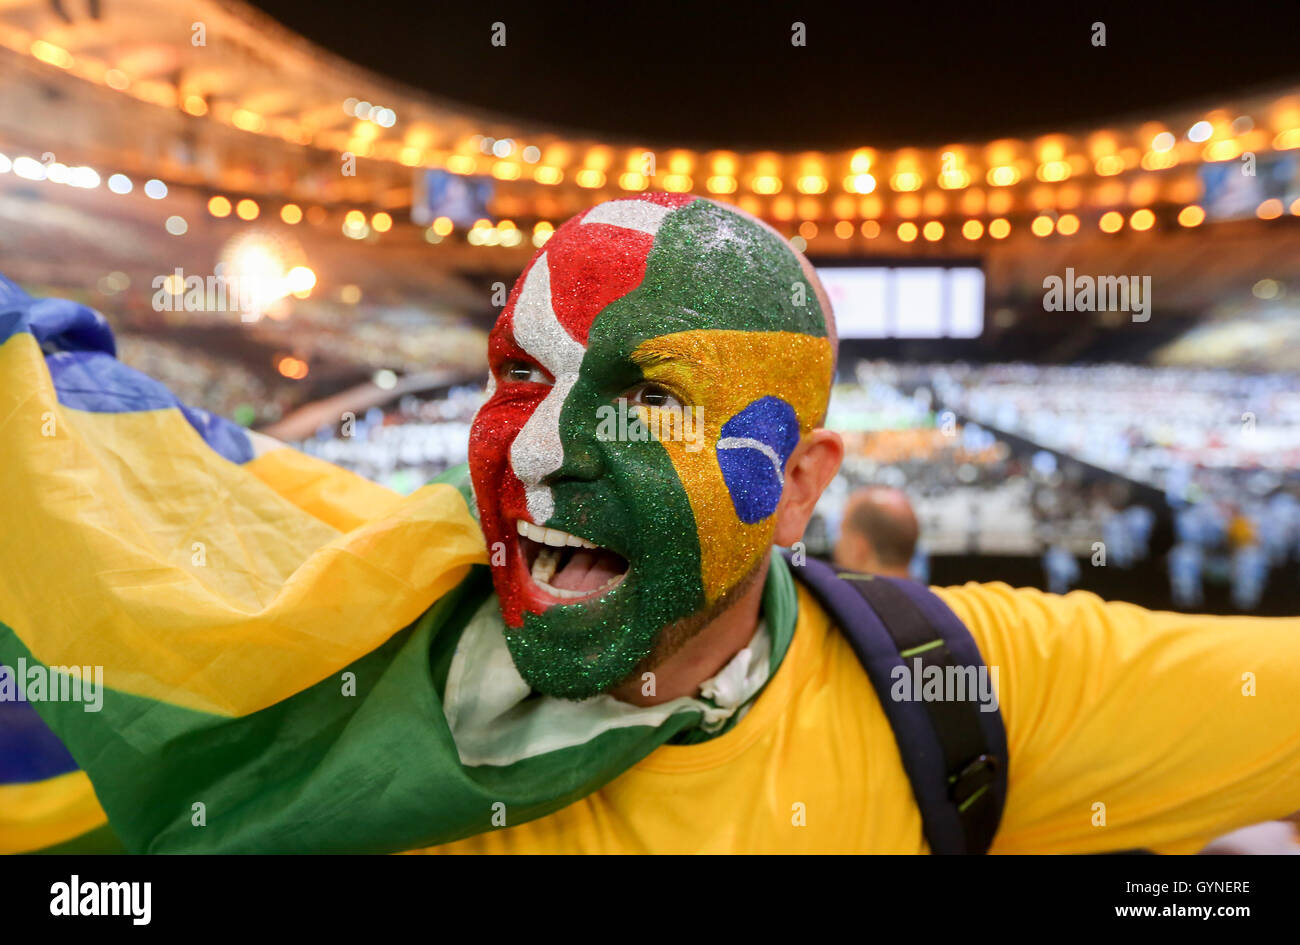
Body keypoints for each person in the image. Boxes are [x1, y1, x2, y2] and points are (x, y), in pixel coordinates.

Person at [3, 193, 1300, 855]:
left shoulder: (963, 691)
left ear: (800, 486)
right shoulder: (323, 621)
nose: (541, 445)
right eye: (520, 374)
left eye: (654, 392)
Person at [833, 486, 919, 579]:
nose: (836, 545)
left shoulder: (837, 592)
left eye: (842, 534)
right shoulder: (934, 592)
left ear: (859, 548)